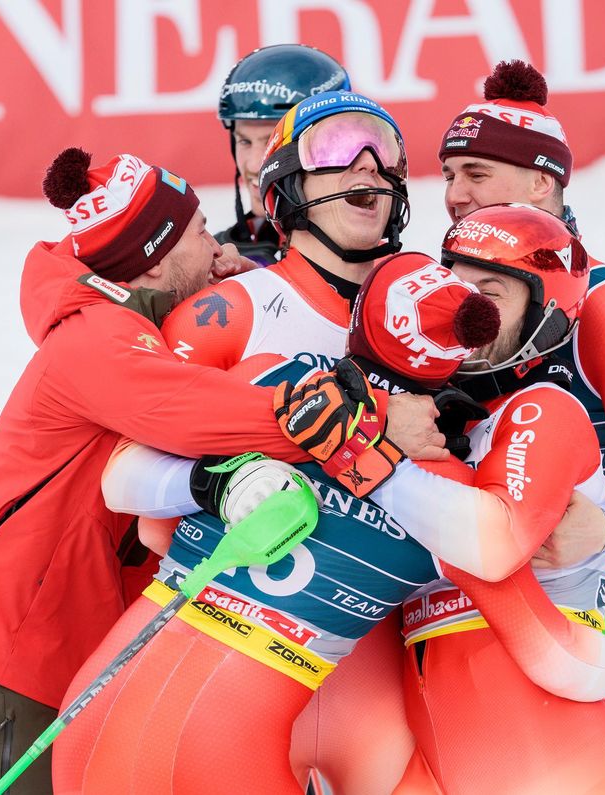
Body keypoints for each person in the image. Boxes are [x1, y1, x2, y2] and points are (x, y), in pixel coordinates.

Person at [0, 147, 435, 795]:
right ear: (156, 258)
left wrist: (249, 288)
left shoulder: (129, 325)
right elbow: (197, 411)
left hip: (69, 654)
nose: (218, 249)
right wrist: (366, 414)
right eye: (201, 233)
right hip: (13, 675)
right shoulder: (96, 337)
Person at [51, 251, 506, 794]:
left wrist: (217, 484)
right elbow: (540, 632)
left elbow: (137, 507)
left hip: (93, 719)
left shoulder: (269, 375)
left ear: (356, 321)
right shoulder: (454, 484)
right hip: (233, 754)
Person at [430, 60, 605, 793]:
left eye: (477, 173)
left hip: (590, 596)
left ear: (541, 184)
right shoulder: (444, 294)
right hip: (460, 614)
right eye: (449, 174)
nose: (454, 193)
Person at [160, 89, 429, 793]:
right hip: (234, 654)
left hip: (379, 678)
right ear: (287, 187)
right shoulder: (230, 311)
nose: (366, 164)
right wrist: (229, 481)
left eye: (383, 149)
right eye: (335, 148)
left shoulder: (434, 314)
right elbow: (127, 478)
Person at [387, 204, 605, 794]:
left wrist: (366, 458)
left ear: (543, 319)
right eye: (454, 287)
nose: (464, 308)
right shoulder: (444, 425)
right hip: (445, 742)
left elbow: (492, 546)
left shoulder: (545, 409)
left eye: (491, 293)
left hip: (545, 753)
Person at [215, 44, 349, 264]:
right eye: (245, 141)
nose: (255, 165)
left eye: (272, 141)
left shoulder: (370, 261)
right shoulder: (217, 258)